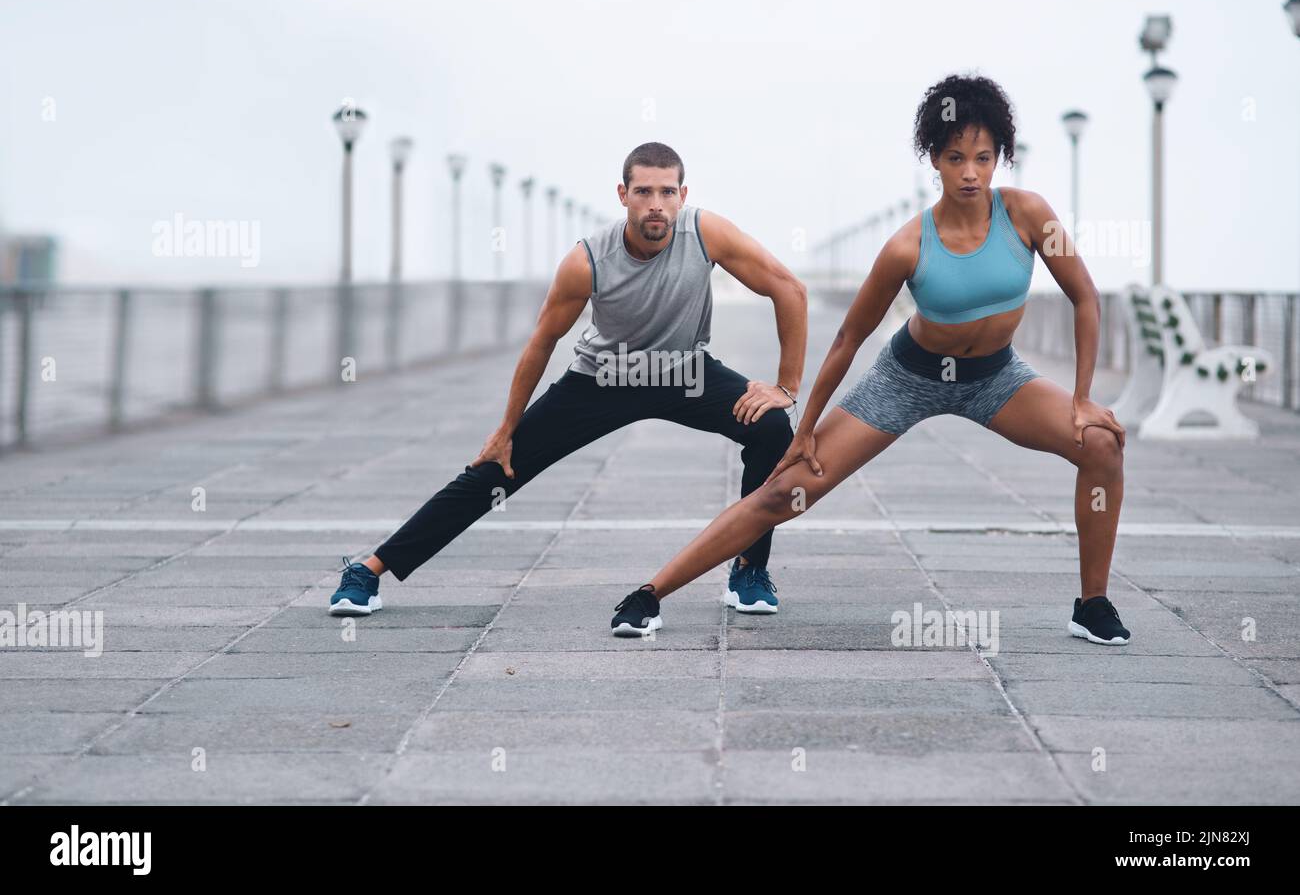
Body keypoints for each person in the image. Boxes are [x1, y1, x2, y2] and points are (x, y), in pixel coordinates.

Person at [610, 76, 1131, 646]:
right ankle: (650, 594)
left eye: (983, 158)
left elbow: (1085, 296)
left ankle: (1093, 604)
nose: (970, 173)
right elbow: (847, 340)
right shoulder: (908, 247)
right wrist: (804, 430)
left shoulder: (1031, 215)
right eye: (955, 158)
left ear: (1000, 157)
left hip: (996, 379)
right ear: (933, 159)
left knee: (1101, 444)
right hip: (907, 377)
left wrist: (1081, 399)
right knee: (786, 493)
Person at [329, 142, 808, 625]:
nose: (656, 204)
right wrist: (505, 430)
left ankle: (749, 569)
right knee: (499, 468)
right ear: (623, 195)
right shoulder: (587, 260)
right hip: (602, 378)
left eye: (667, 192)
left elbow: (788, 288)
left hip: (683, 371)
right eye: (644, 191)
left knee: (770, 429)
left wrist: (786, 387)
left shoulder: (707, 233)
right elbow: (541, 342)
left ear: (683, 195)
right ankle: (370, 570)